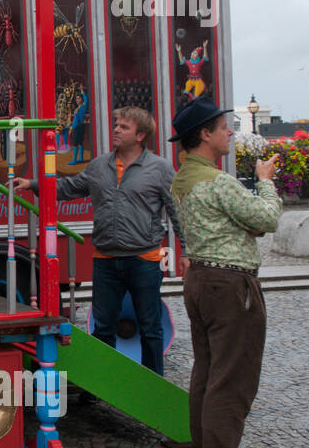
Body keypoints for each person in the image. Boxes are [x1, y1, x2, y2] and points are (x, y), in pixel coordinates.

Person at [12, 107, 186, 375]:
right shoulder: (98, 166)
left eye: (124, 127)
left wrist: (186, 250)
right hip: (105, 260)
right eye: (116, 125)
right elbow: (67, 189)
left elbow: (177, 212)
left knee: (150, 326)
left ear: (140, 135)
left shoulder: (160, 169)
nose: (116, 130)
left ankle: (154, 387)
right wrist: (34, 183)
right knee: (103, 327)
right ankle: (103, 385)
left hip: (145, 259)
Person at [170, 97, 281, 448]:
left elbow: (234, 224)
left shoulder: (184, 178)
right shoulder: (219, 181)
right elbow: (265, 219)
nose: (230, 132)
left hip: (201, 279)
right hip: (231, 285)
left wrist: (243, 227)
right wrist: (265, 179)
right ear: (205, 134)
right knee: (232, 378)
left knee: (207, 372)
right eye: (223, 127)